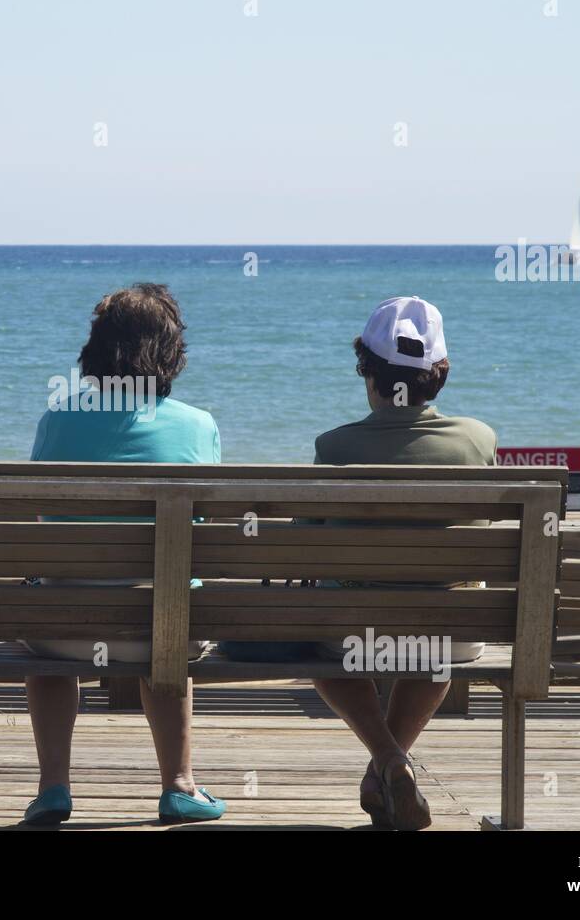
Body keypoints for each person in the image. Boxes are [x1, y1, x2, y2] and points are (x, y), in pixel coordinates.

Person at [219, 296, 497, 830]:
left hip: (352, 635)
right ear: (439, 374)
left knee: (321, 650)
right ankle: (386, 767)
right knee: (438, 645)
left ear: (367, 372)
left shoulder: (336, 446)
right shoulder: (479, 440)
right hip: (454, 634)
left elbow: (305, 544)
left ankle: (389, 761)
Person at [21, 283, 226, 826]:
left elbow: (42, 519)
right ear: (171, 353)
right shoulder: (198, 425)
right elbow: (202, 528)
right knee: (168, 616)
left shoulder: (58, 421)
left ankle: (53, 788)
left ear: (96, 350)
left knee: (47, 637)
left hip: (63, 628)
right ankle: (179, 785)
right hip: (165, 627)